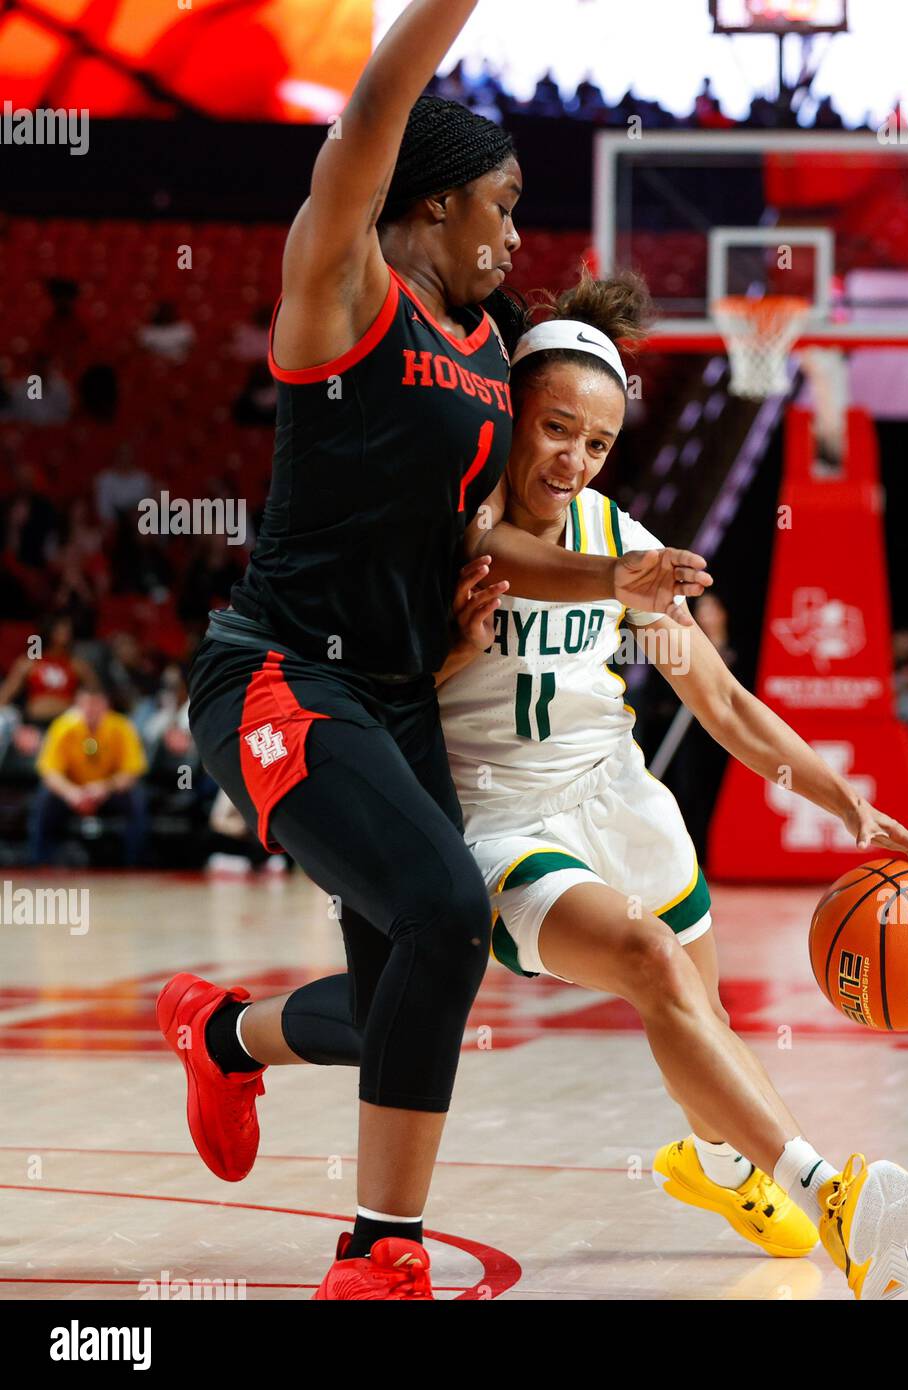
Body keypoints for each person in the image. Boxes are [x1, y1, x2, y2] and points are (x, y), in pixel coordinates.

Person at [174, 267, 908, 1299]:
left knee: (689, 1013)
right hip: (500, 820)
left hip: (617, 794)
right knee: (647, 964)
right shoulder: (441, 538)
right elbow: (370, 691)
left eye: (596, 444)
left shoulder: (618, 541)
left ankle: (719, 1164)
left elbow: (723, 707)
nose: (574, 461)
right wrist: (451, 646)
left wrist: (846, 801)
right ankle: (830, 1189)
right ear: (507, 414)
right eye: (554, 430)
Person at [152, 0, 710, 1303]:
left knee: (429, 979)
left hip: (400, 695)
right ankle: (376, 1249)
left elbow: (489, 545)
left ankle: (221, 1036)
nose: (515, 235)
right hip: (286, 673)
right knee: (450, 912)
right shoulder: (344, 290)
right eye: (500, 205)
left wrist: (608, 575)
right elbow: (369, 115)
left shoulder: (488, 342)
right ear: (433, 202)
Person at [30, 689, 148, 866]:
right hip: (73, 792)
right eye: (86, 704)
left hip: (109, 792)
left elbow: (132, 771)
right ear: (77, 705)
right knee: (44, 798)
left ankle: (135, 864)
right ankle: (40, 862)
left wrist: (105, 787)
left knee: (136, 798)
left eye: (96, 704)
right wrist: (71, 793)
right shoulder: (63, 726)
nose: (91, 709)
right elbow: (49, 772)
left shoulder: (122, 727)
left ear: (106, 706)